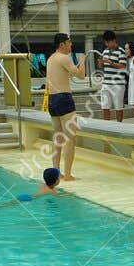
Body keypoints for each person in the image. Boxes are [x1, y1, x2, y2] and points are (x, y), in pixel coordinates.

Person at [45, 33, 85, 181]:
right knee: (70, 138)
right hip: (63, 98)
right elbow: (81, 75)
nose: (71, 45)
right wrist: (82, 61)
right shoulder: (64, 58)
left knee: (57, 137)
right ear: (62, 44)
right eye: (69, 42)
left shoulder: (50, 59)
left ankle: (57, 172)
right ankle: (68, 174)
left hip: (52, 99)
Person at [96, 29, 128, 122]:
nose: (107, 44)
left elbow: (122, 66)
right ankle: (107, 126)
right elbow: (100, 66)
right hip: (106, 83)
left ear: (114, 40)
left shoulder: (121, 51)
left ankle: (119, 126)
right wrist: (100, 62)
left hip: (118, 84)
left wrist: (111, 62)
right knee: (105, 106)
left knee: (118, 107)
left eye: (108, 42)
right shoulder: (105, 51)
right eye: (105, 42)